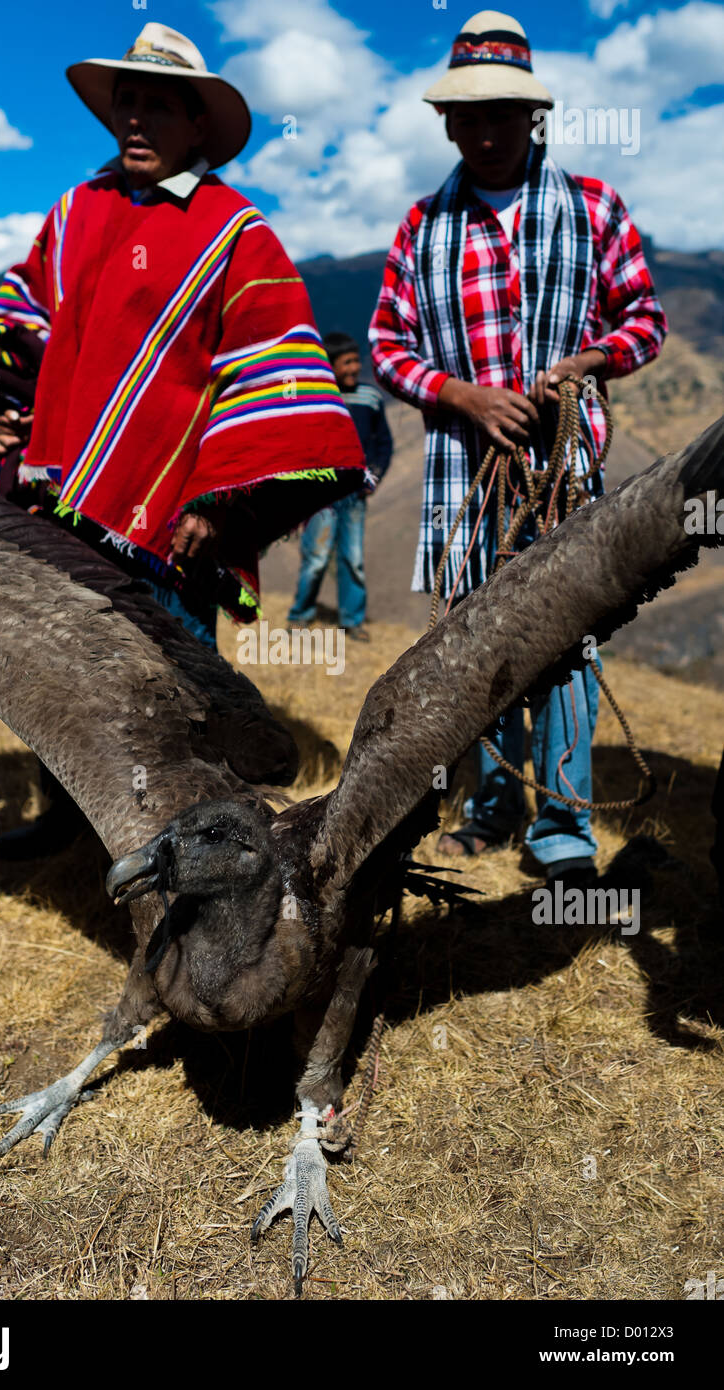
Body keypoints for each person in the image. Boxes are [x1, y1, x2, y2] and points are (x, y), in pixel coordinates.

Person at [0, 21, 365, 858]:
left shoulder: (237, 234)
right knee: (58, 668)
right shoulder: (75, 212)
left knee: (172, 687)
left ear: (199, 126)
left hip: (171, 521)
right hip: (57, 500)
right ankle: (72, 818)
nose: (137, 119)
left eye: (161, 105)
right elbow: (26, 323)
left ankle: (187, 856)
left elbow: (274, 373)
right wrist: (5, 401)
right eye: (128, 101)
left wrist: (220, 501)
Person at [370, 10, 667, 885]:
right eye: (472, 114)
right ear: (447, 120)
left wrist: (584, 363)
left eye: (505, 112)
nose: (488, 130)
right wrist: (460, 394)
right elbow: (389, 344)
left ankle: (564, 825)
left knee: (568, 641)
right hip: (466, 480)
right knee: (479, 645)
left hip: (564, 477)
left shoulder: (593, 207)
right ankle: (494, 803)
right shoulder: (421, 228)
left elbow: (643, 322)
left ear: (533, 115)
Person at [287, 332, 392, 641]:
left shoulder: (370, 398)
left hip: (355, 495)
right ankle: (300, 615)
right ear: (329, 366)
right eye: (346, 362)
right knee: (316, 558)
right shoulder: (318, 398)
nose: (355, 367)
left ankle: (352, 620)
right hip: (322, 496)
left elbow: (384, 443)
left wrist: (374, 476)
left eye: (357, 360)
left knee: (353, 558)